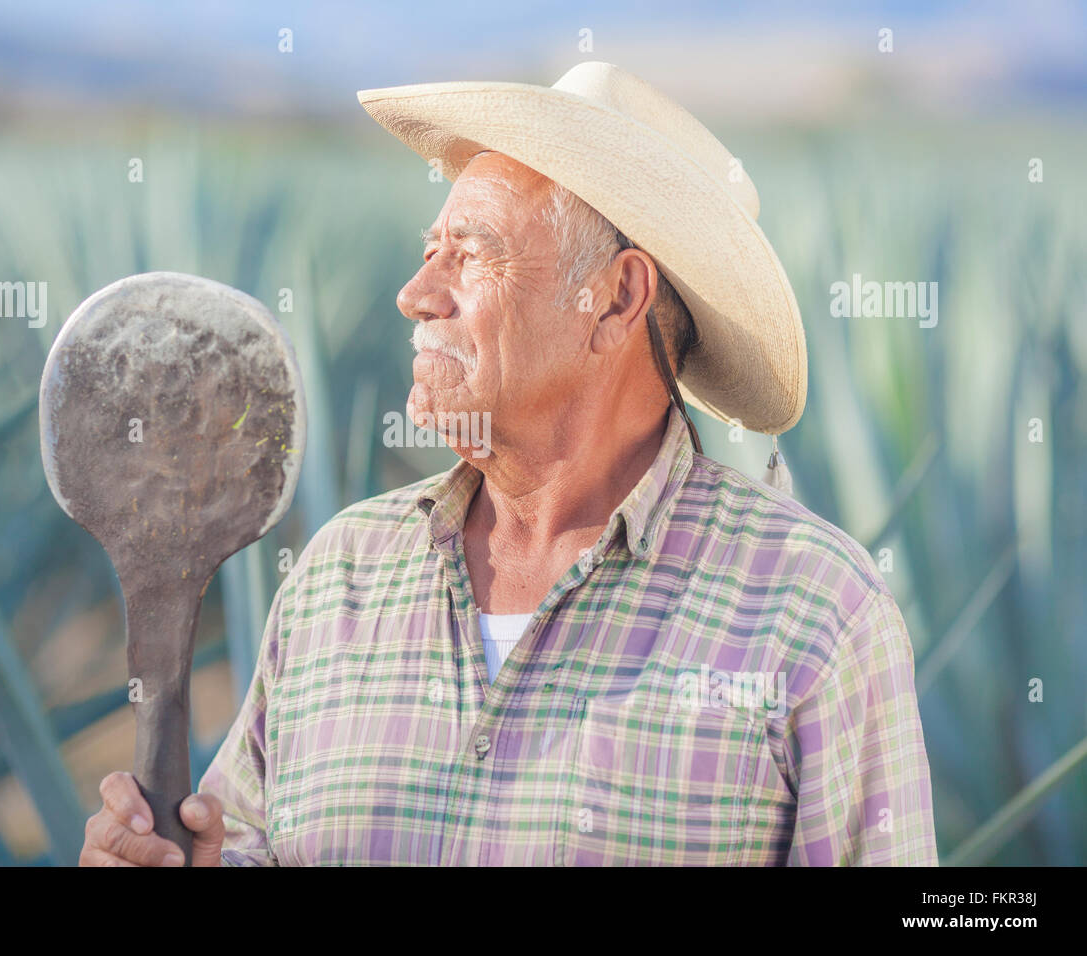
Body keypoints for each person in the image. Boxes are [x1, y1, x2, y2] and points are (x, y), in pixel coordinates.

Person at [80, 61, 937, 867]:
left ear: (615, 299)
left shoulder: (814, 614)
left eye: (473, 253)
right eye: (430, 250)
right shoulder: (338, 577)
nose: (416, 296)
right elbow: (249, 842)